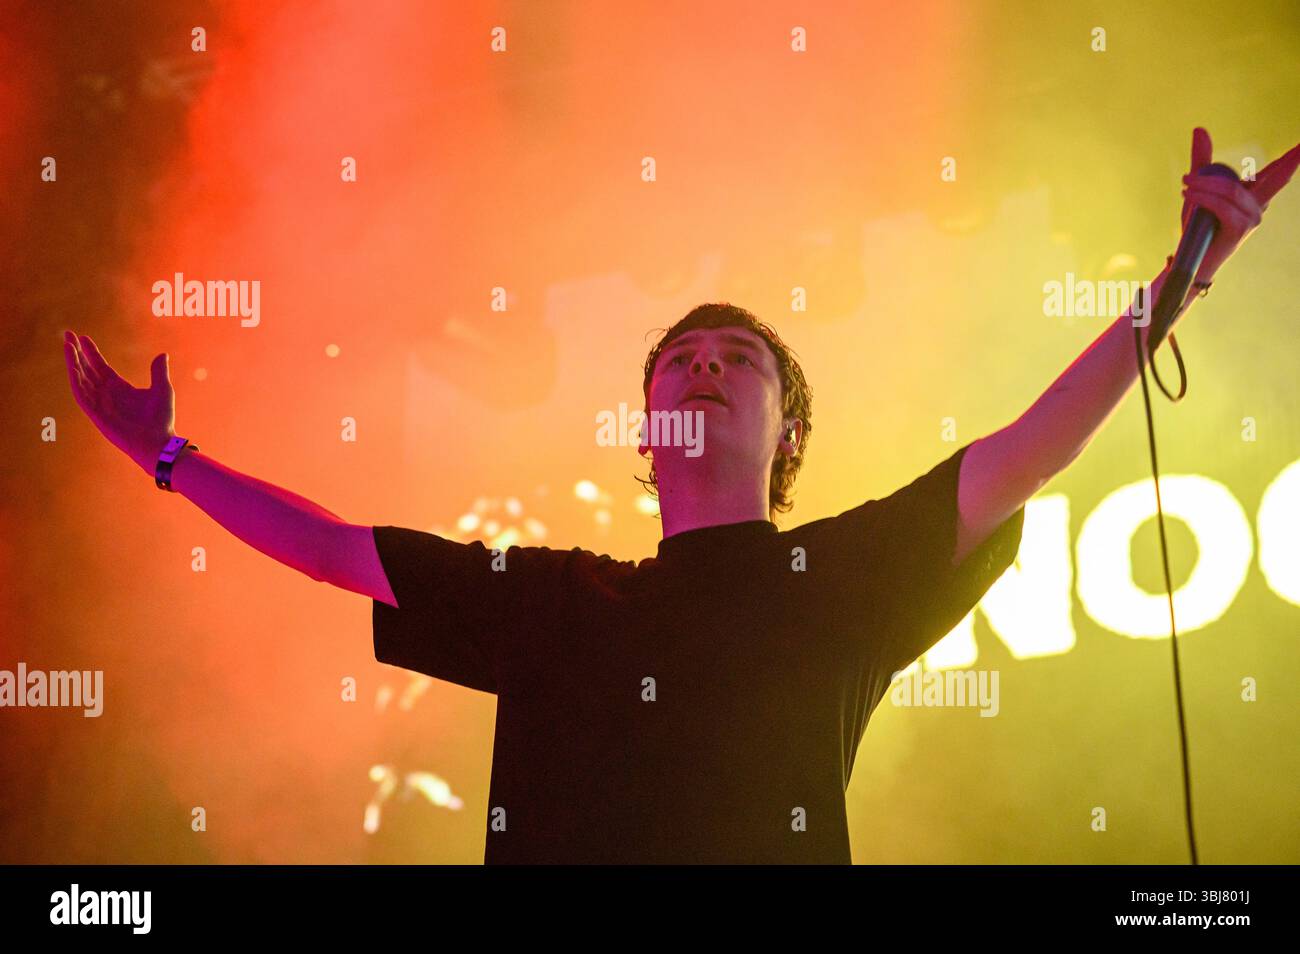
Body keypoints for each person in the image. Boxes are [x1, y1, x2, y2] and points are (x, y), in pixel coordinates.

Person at [61, 129, 1298, 863]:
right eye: (679, 363)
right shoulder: (550, 598)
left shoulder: (843, 580)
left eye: (738, 361)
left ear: (789, 431)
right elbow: (337, 551)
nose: (705, 367)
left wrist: (1179, 279)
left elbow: (1030, 448)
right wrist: (168, 462)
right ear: (642, 440)